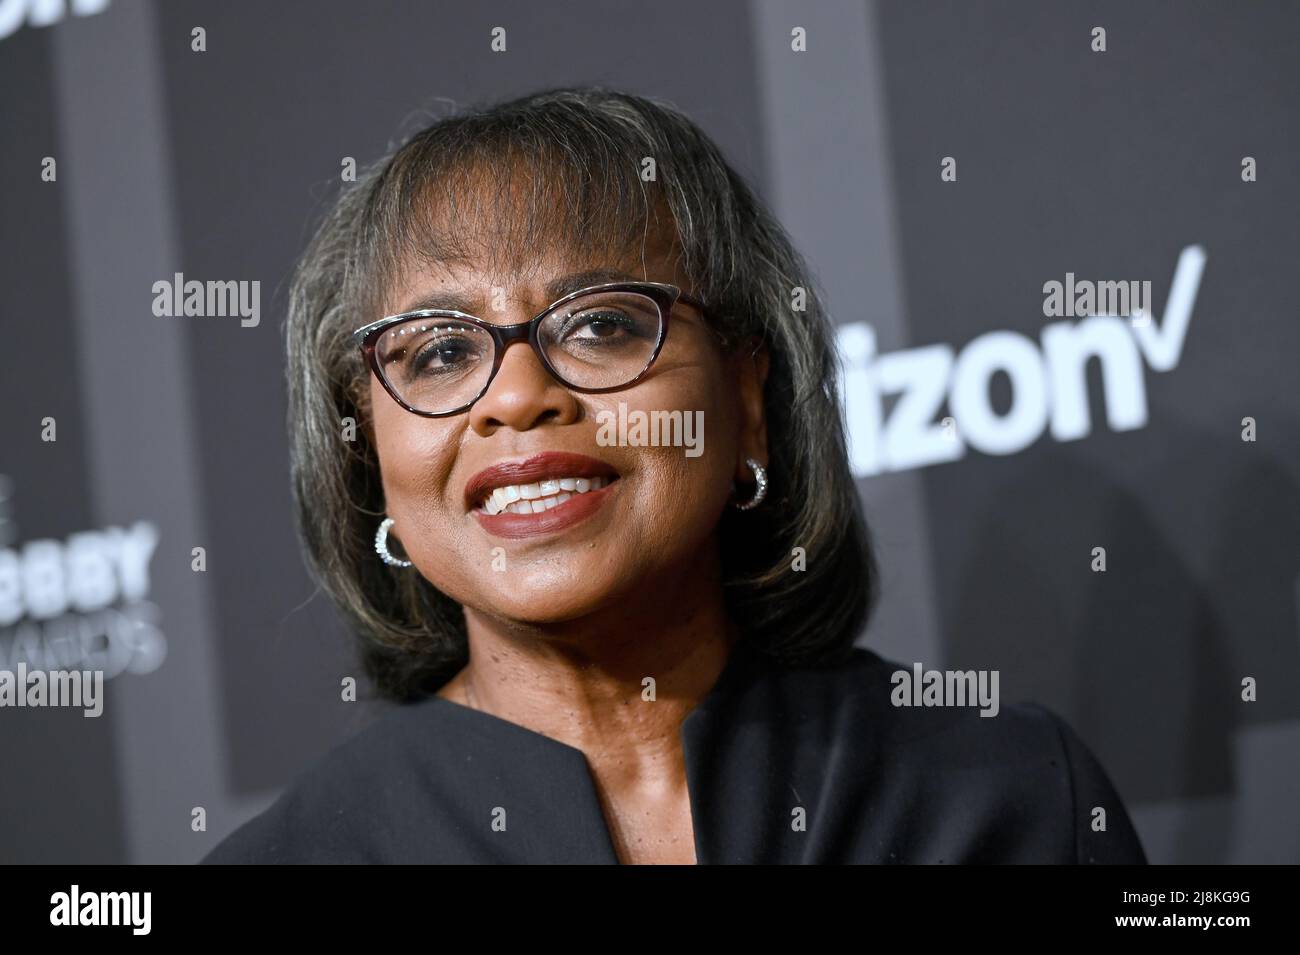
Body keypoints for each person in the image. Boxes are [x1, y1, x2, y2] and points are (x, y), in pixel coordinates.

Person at [202, 86, 1146, 865]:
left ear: (745, 399)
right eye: (440, 351)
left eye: (602, 323)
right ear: (369, 456)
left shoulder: (1013, 794)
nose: (518, 396)